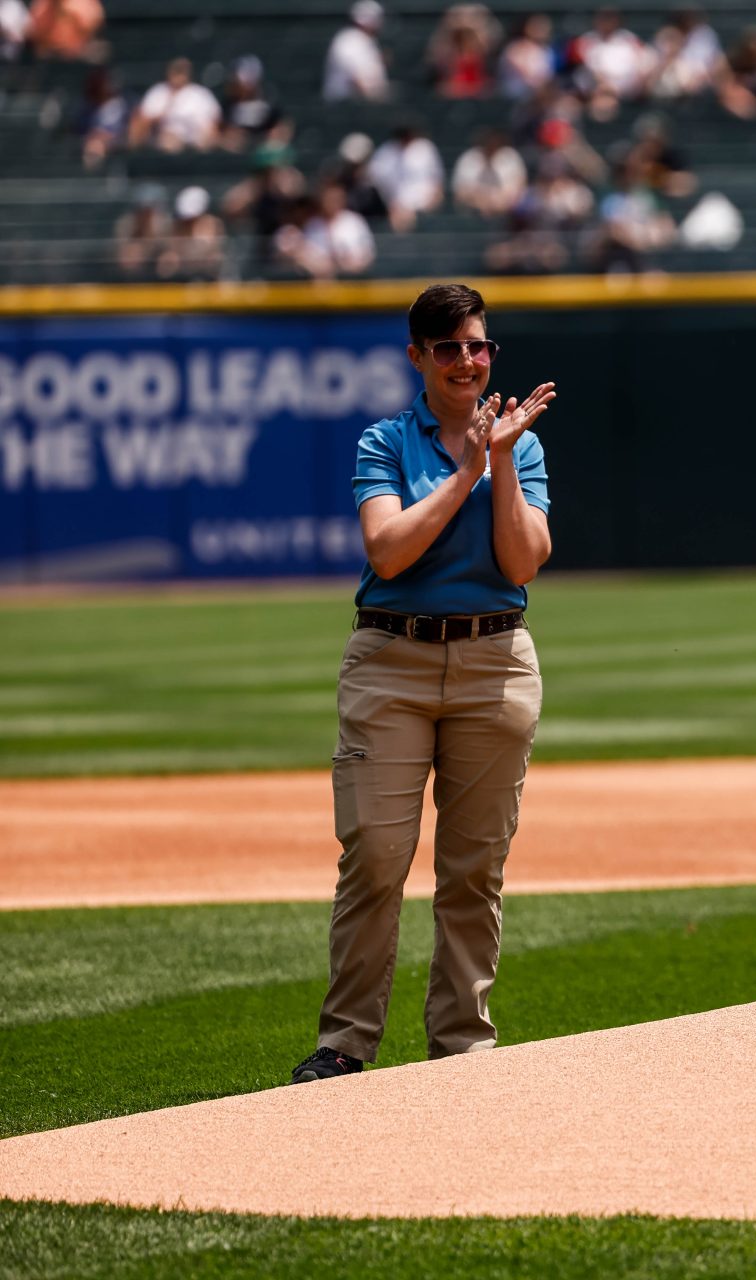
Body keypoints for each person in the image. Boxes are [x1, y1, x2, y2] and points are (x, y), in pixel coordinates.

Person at [291, 283, 555, 1084]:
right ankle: (346, 1042)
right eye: (449, 348)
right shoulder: (384, 441)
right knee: (375, 855)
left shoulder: (521, 446)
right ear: (418, 357)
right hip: (392, 661)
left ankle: (460, 1046)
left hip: (494, 660)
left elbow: (522, 562)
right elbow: (389, 550)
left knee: (474, 867)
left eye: (478, 346)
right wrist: (467, 468)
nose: (467, 361)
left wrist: (500, 460)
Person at [325, 0, 389, 102]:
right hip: (345, 104)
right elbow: (356, 79)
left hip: (361, 102)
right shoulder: (348, 40)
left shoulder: (366, 40)